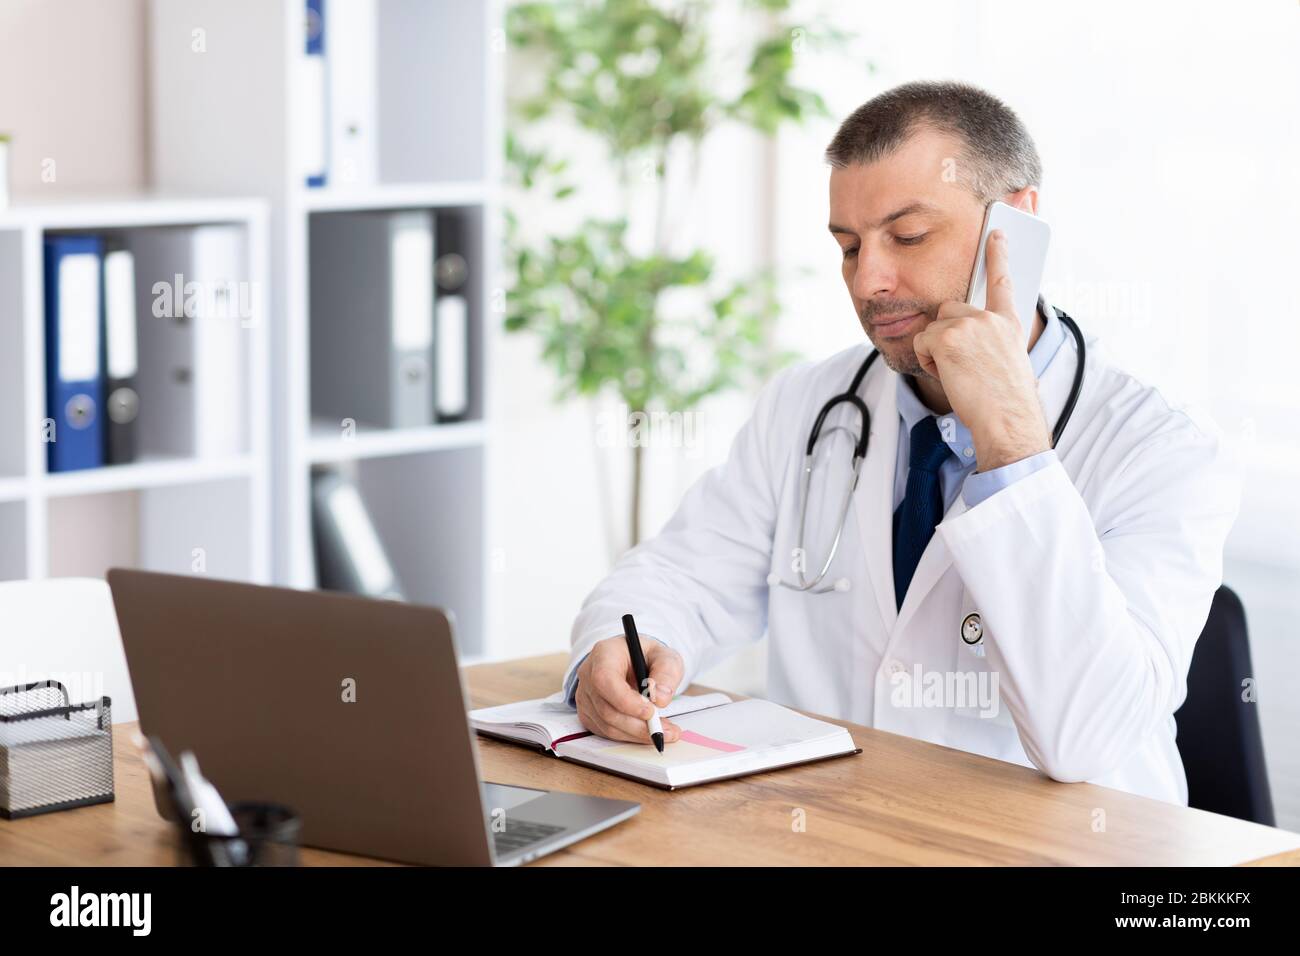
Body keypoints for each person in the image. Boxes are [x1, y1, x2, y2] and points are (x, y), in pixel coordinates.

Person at [561, 80, 1241, 804]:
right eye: (849, 247)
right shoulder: (809, 404)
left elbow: (1087, 735)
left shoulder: (1164, 447)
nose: (869, 280)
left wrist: (1012, 444)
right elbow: (679, 578)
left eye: (908, 237)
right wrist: (613, 649)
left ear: (1017, 224)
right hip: (842, 835)